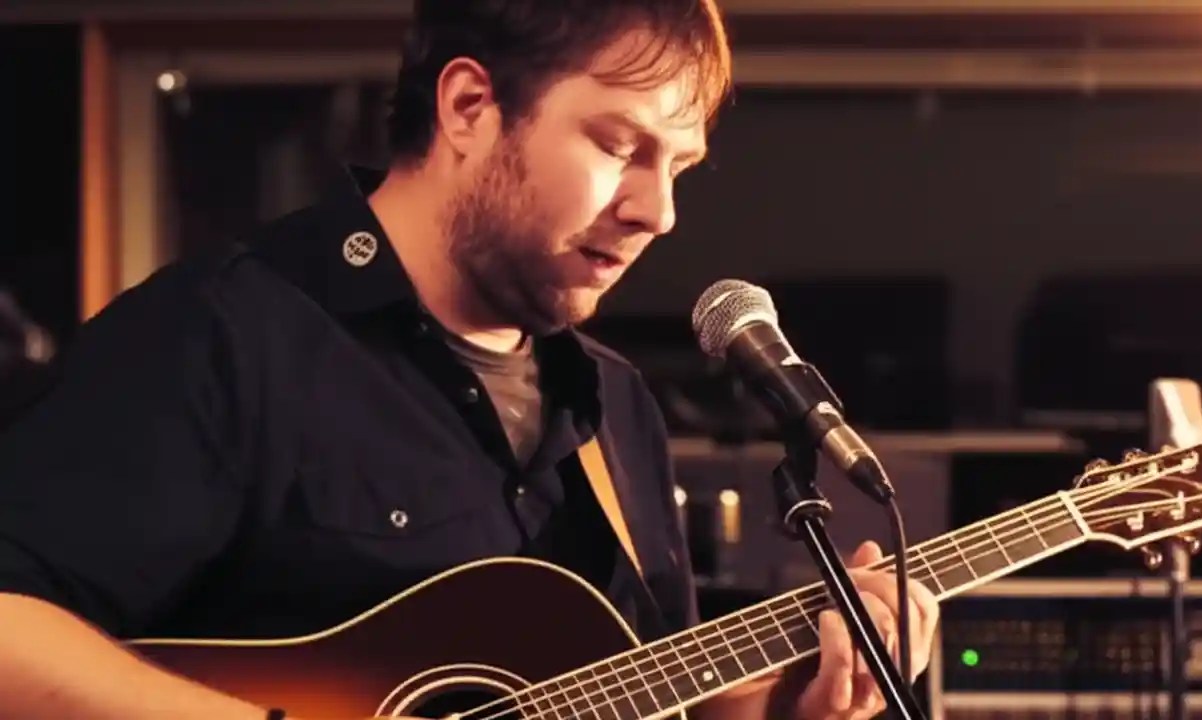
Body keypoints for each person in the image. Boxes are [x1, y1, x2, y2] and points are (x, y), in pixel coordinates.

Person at [0, 1, 938, 718]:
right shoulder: (226, 337)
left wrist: (797, 696)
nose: (660, 211)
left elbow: (633, 693)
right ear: (468, 106)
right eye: (620, 145)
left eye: (679, 167)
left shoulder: (616, 405)